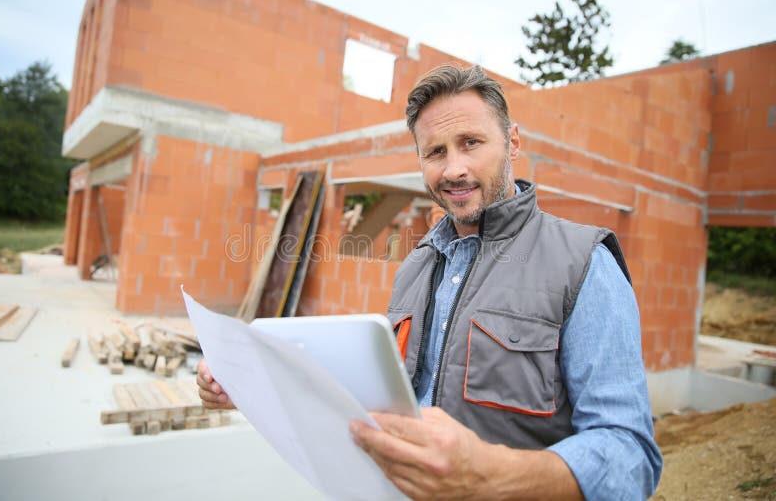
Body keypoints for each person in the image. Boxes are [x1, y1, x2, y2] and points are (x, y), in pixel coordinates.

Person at [198, 65, 662, 500]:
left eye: (471, 143)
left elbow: (632, 458)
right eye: (435, 152)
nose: (453, 169)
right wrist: (254, 384)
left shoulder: (583, 262)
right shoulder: (415, 267)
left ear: (513, 142)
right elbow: (375, 400)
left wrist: (489, 474)